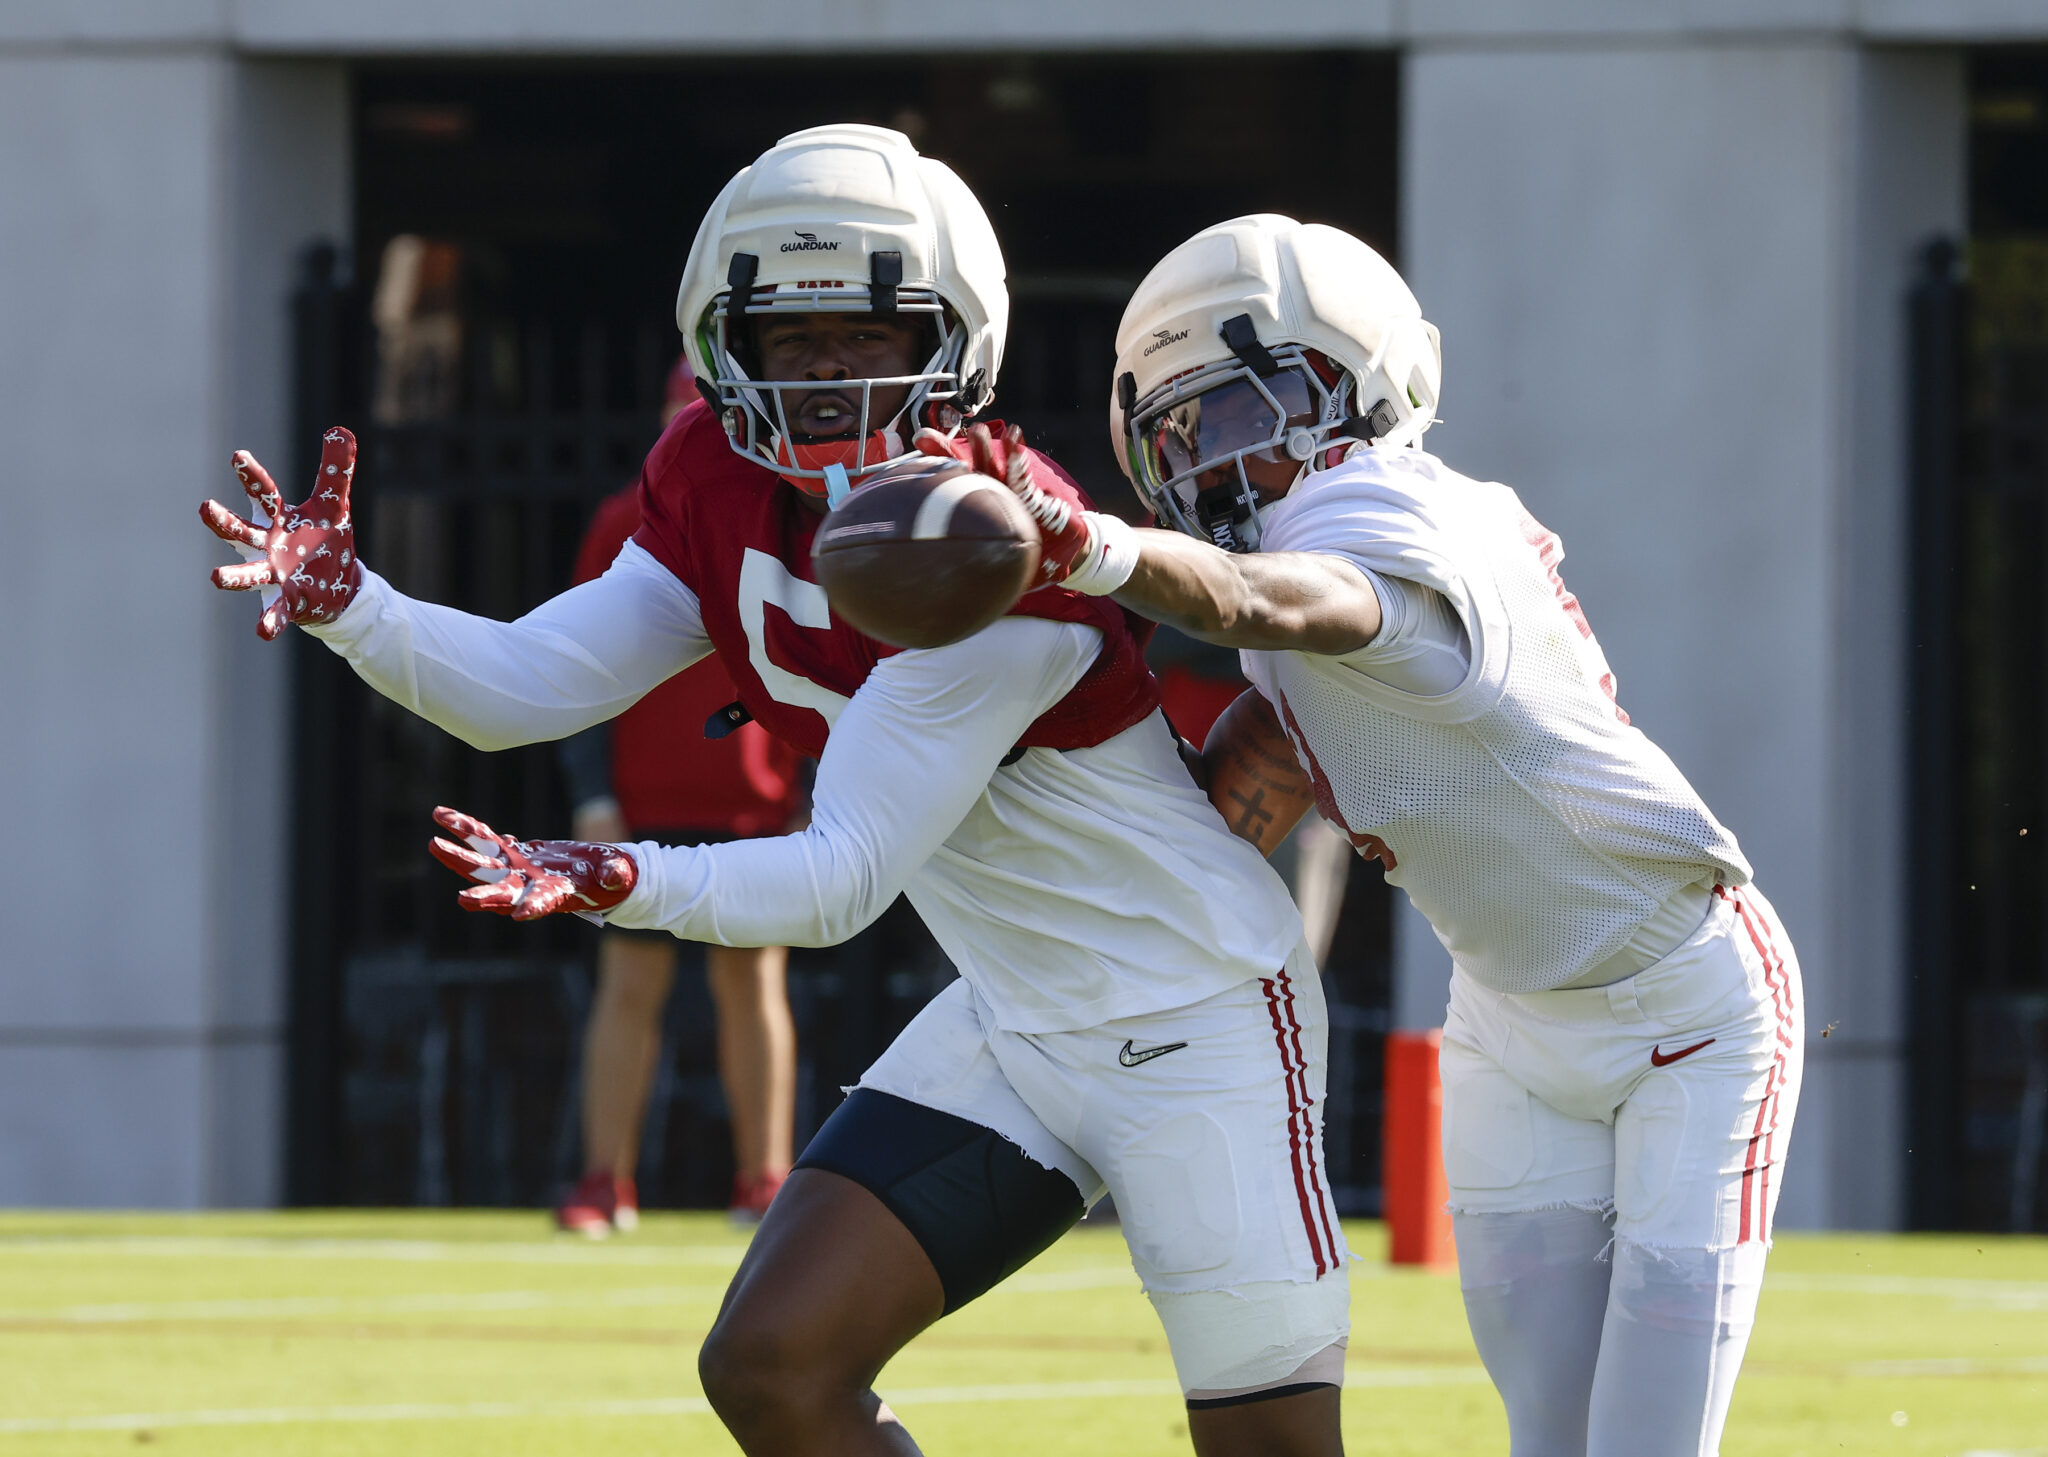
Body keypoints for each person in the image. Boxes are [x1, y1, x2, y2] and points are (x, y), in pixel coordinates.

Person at [202, 129, 1350, 1457]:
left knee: (1268, 1451)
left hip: (1193, 1014)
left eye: (865, 334)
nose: (821, 374)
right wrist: (360, 606)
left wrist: (623, 877)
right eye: (786, 338)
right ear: (721, 340)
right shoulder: (712, 484)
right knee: (773, 1368)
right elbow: (528, 680)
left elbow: (840, 875)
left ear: (952, 339)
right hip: (1016, 1021)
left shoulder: (1003, 540)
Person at [971, 213, 1803, 1457]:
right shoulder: (1288, 593)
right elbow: (1218, 810)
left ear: (1355, 386)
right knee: (1548, 1438)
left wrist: (1087, 545)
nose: (1215, 468)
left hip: (1686, 1005)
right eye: (1182, 437)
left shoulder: (1389, 512)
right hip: (1508, 1028)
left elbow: (1278, 599)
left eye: (1246, 416)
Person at [555, 359, 805, 1232]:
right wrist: (590, 792)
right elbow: (573, 660)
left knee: (753, 980)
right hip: (644, 795)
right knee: (629, 981)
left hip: (751, 800)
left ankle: (765, 1178)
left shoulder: (786, 514)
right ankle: (603, 1179)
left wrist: (809, 790)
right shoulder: (623, 520)